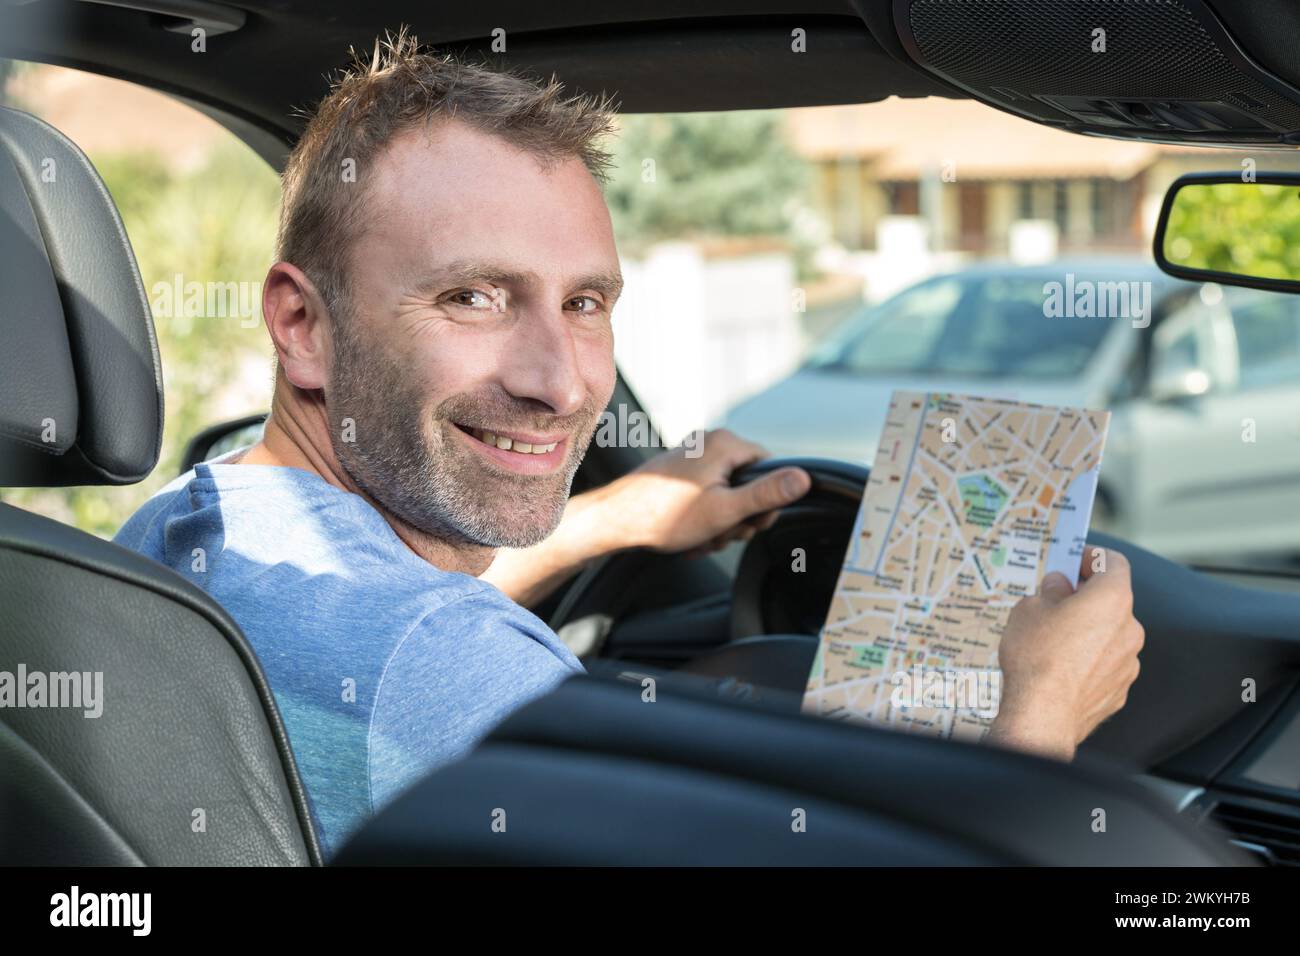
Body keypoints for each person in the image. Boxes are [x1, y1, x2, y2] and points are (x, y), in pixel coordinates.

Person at [115, 31, 1143, 856]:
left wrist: (604, 520)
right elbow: (418, 655)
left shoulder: (184, 532)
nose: (562, 382)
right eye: (472, 296)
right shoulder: (461, 676)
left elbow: (370, 621)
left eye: (586, 300)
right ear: (304, 326)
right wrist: (1040, 723)